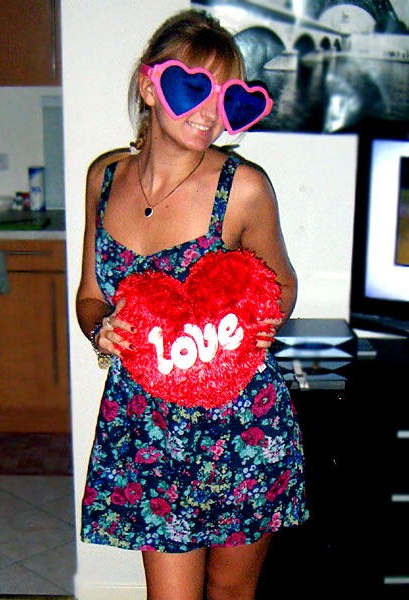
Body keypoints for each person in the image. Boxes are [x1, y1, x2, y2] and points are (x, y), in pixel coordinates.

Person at [76, 8, 309, 600]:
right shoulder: (104, 179)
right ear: (149, 86)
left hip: (241, 425)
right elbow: (91, 296)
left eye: (227, 97)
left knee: (231, 594)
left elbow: (283, 286)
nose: (210, 112)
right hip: (148, 427)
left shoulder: (243, 188)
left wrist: (260, 320)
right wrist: (102, 329)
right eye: (194, 88)